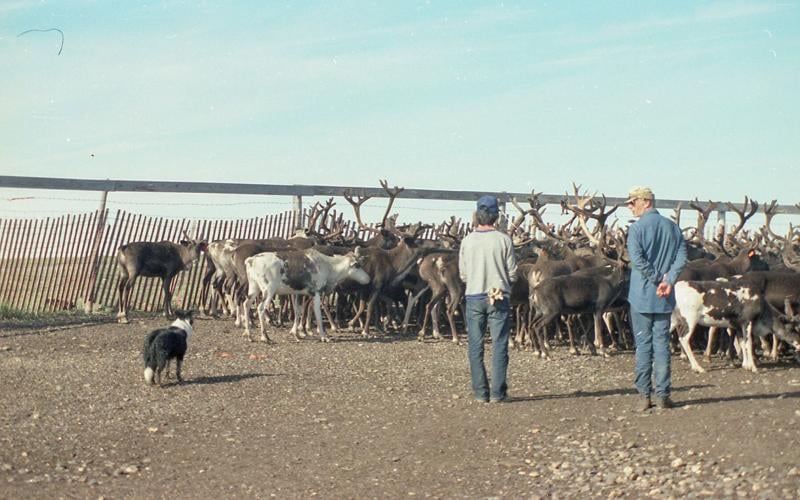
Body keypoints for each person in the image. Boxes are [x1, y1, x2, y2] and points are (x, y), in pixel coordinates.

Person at [625, 186, 687, 411]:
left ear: (647, 202)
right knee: (662, 345)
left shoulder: (636, 229)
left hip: (642, 295)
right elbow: (681, 257)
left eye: (633, 202)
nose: (630, 207)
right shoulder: (673, 228)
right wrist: (668, 280)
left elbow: (637, 260)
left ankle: (643, 396)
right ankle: (663, 395)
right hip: (664, 297)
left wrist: (655, 279)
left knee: (643, 345)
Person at [458, 195, 518, 403]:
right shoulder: (504, 240)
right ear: (496, 217)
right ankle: (497, 393)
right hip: (498, 296)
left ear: (477, 215)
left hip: (474, 296)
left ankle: (480, 393)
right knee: (499, 344)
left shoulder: (466, 241)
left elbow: (463, 275)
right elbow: (512, 274)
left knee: (475, 346)